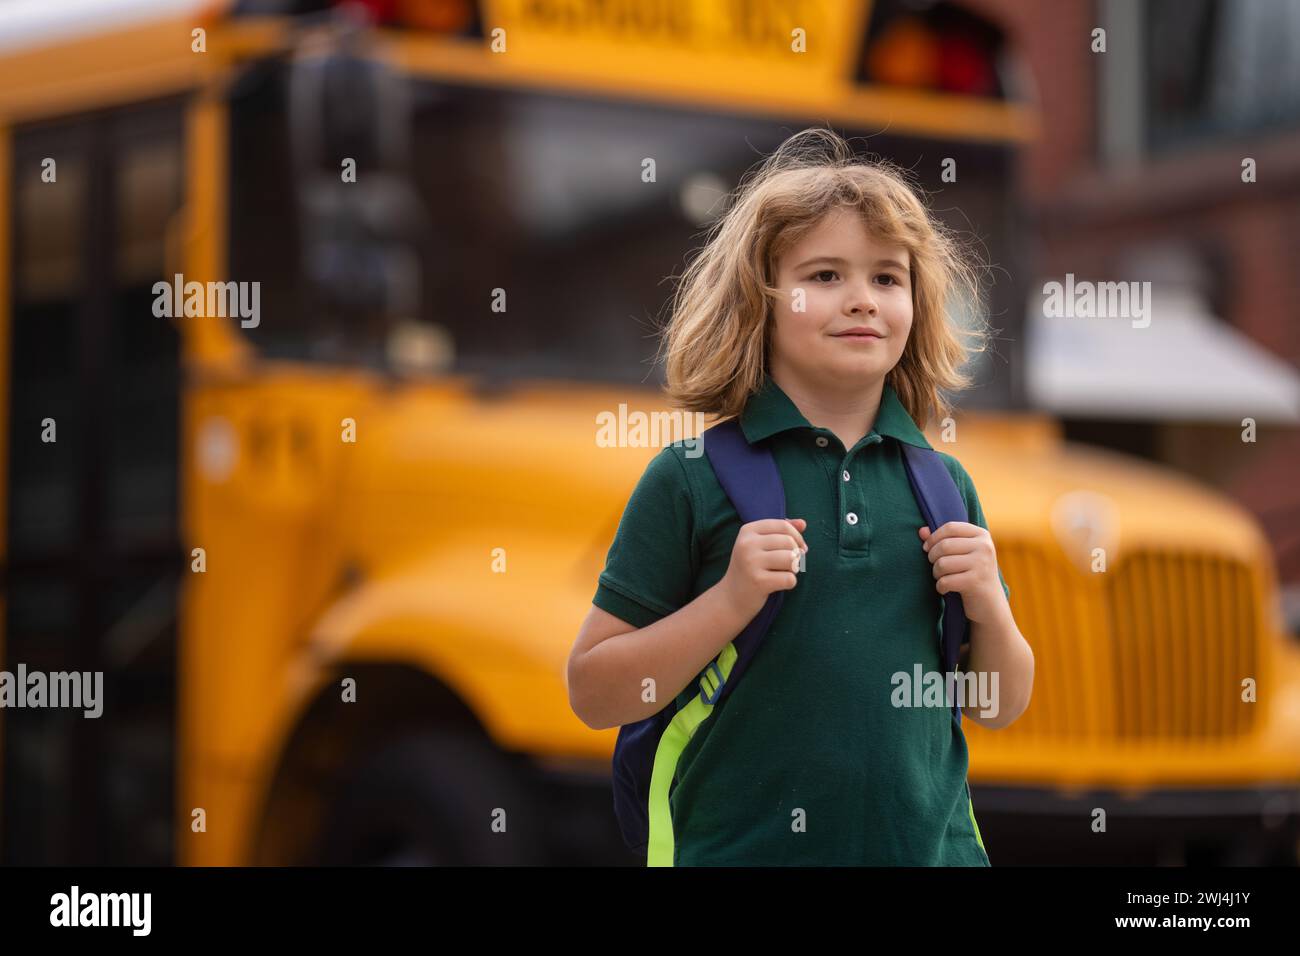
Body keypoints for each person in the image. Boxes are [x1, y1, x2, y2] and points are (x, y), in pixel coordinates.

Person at [567, 127, 1034, 866]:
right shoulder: (689, 477)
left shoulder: (947, 489)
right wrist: (728, 601)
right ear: (762, 301)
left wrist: (992, 607)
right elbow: (594, 693)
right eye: (824, 276)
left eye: (887, 278)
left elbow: (997, 705)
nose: (862, 300)